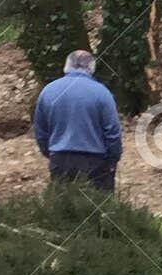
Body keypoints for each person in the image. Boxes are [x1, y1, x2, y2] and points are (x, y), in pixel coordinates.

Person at [32, 50, 123, 192]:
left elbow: (40, 130)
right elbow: (112, 131)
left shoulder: (48, 91)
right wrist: (112, 159)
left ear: (66, 66)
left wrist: (50, 153)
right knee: (98, 208)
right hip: (95, 161)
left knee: (64, 208)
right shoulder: (102, 93)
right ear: (91, 68)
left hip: (60, 159)